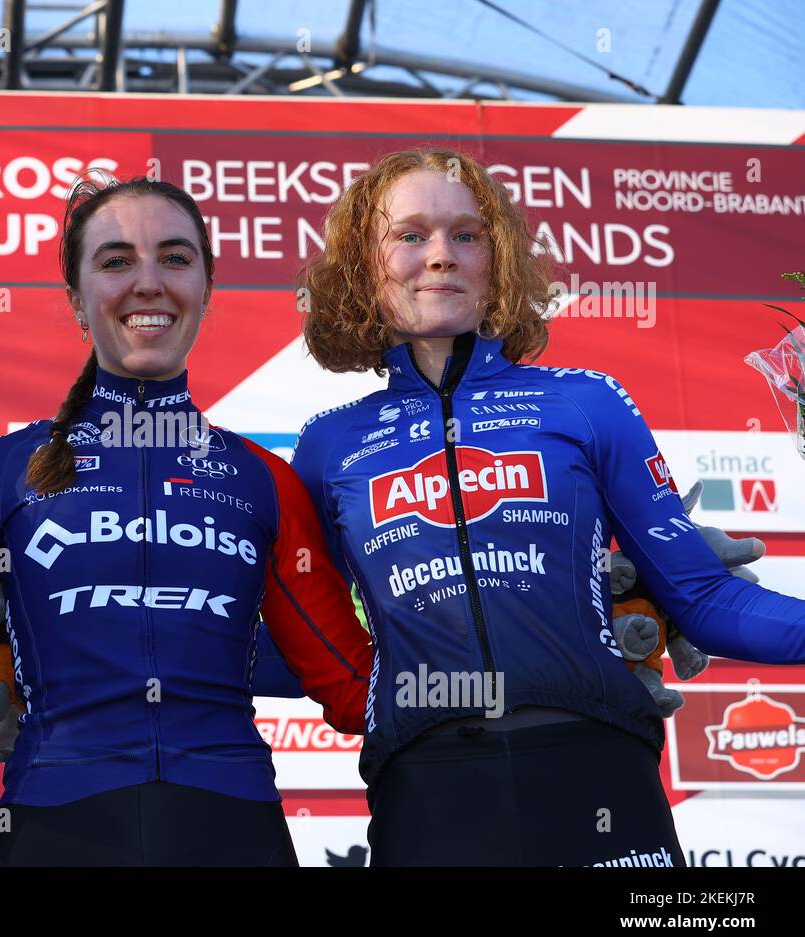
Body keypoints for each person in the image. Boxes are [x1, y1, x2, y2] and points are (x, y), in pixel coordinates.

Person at [293, 147, 805, 866]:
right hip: (427, 788)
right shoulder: (327, 446)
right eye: (409, 236)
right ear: (361, 269)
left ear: (496, 259)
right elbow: (300, 642)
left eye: (466, 235)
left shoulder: (586, 401)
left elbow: (705, 599)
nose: (440, 256)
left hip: (597, 767)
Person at [0, 173, 372, 866]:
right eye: (116, 260)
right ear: (76, 300)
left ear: (205, 292)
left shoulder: (262, 480)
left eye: (175, 258)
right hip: (56, 815)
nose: (148, 282)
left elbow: (345, 680)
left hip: (230, 817)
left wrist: (489, 697)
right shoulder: (7, 469)